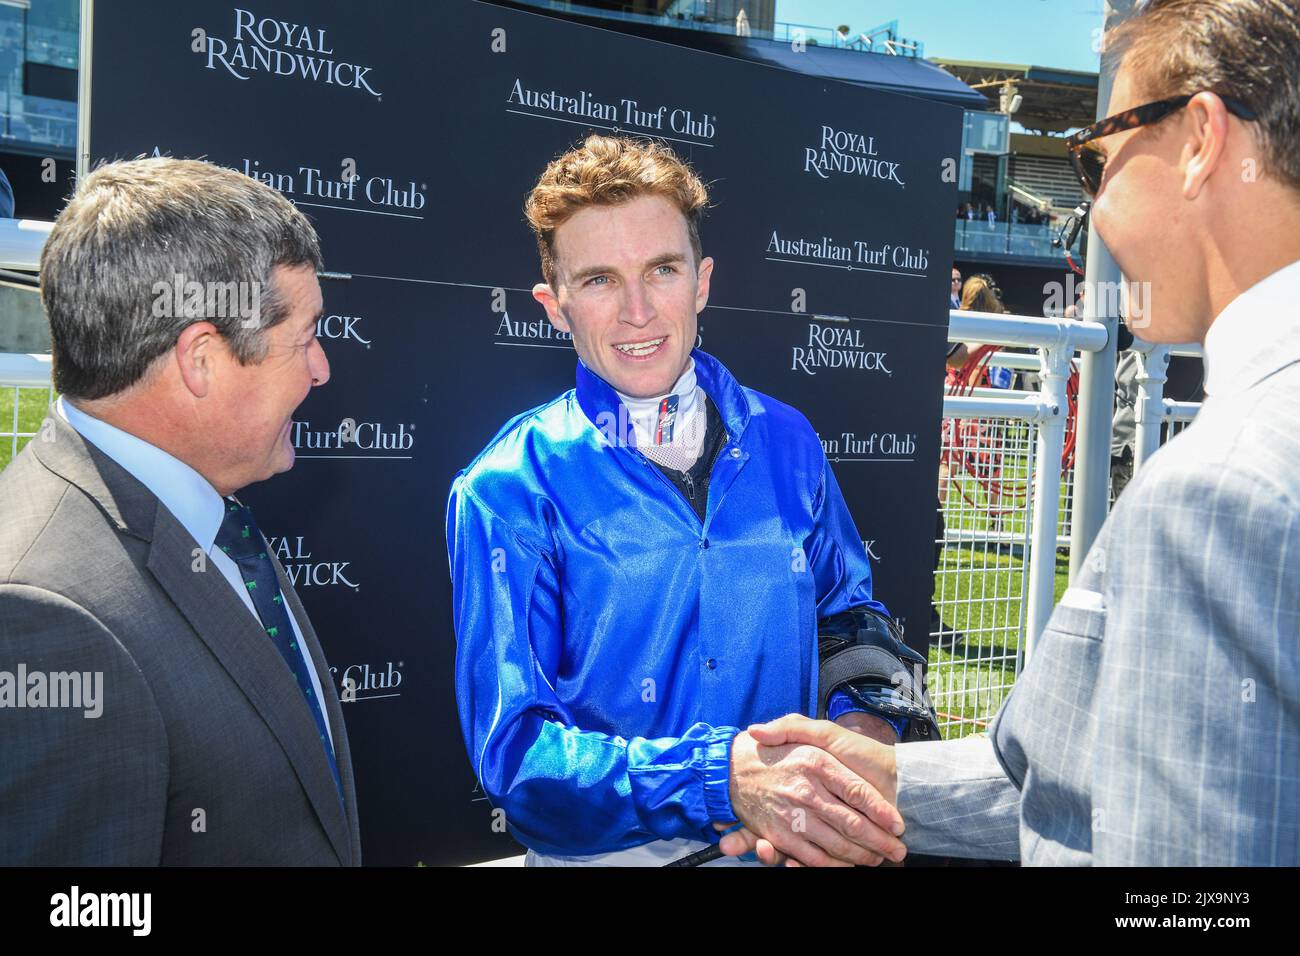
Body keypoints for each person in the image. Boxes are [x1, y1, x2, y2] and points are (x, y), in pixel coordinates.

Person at [723, 0, 1300, 866]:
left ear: (1200, 141)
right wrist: (879, 783)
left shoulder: (1219, 490)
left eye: (1096, 160)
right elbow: (1080, 781)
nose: (1091, 210)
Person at [446, 135, 910, 867]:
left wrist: (871, 727)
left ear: (701, 281)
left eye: (661, 269)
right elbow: (516, 755)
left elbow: (849, 621)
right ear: (553, 305)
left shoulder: (789, 440)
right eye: (599, 280)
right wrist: (718, 780)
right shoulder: (505, 486)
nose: (638, 310)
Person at [0, 157, 361, 865]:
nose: (321, 369)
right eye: (307, 337)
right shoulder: (45, 616)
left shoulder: (200, 507)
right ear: (201, 358)